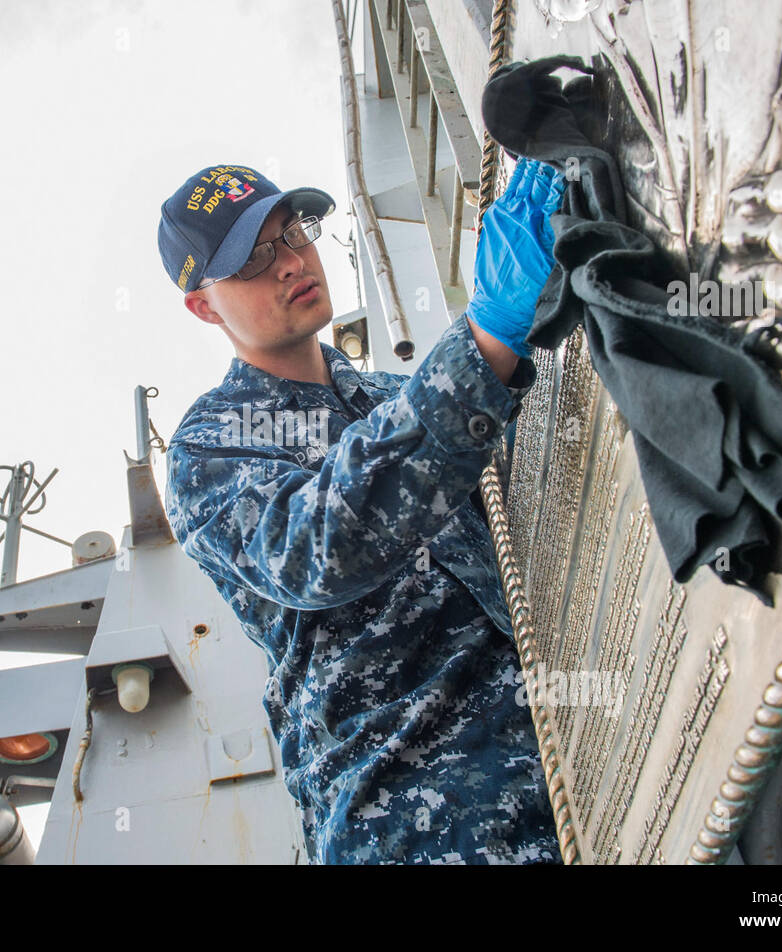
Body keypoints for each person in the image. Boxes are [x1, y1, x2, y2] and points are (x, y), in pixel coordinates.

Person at [157, 157, 565, 864]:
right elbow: (320, 543)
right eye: (253, 258)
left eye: (293, 233)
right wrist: (485, 341)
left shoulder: (391, 396)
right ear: (203, 305)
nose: (289, 262)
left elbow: (520, 497)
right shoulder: (211, 445)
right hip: (411, 816)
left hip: (565, 777)